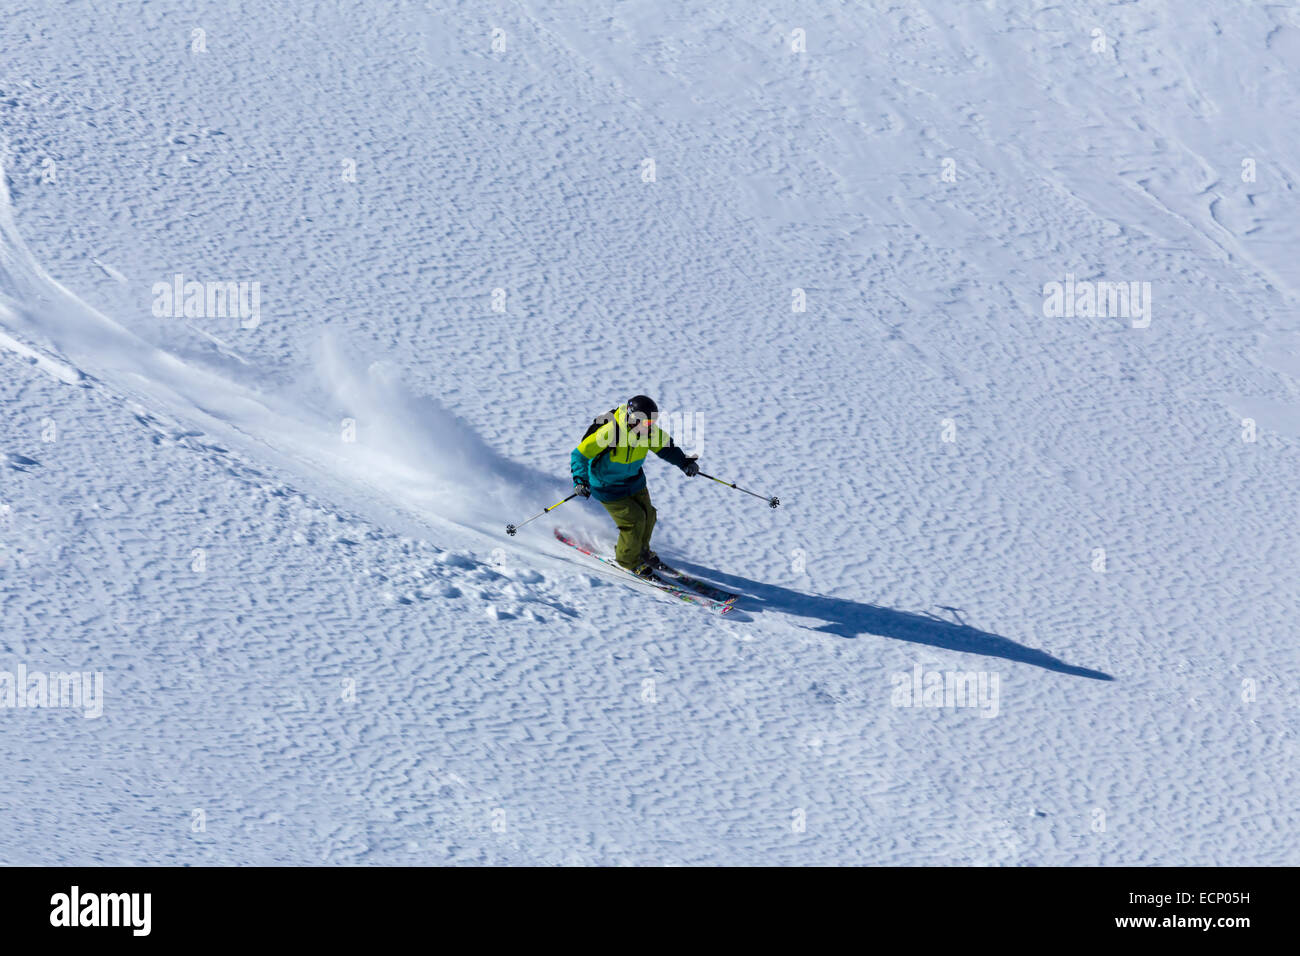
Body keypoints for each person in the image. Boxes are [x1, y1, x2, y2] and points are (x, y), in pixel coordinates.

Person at [570, 395, 699, 577]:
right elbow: (579, 455)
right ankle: (627, 560)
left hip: (634, 481)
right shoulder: (611, 432)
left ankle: (641, 550)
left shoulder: (649, 432)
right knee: (634, 520)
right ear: (633, 419)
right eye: (647, 423)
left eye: (653, 422)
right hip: (607, 485)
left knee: (649, 515)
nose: (650, 427)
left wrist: (684, 463)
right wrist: (580, 480)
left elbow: (666, 448)